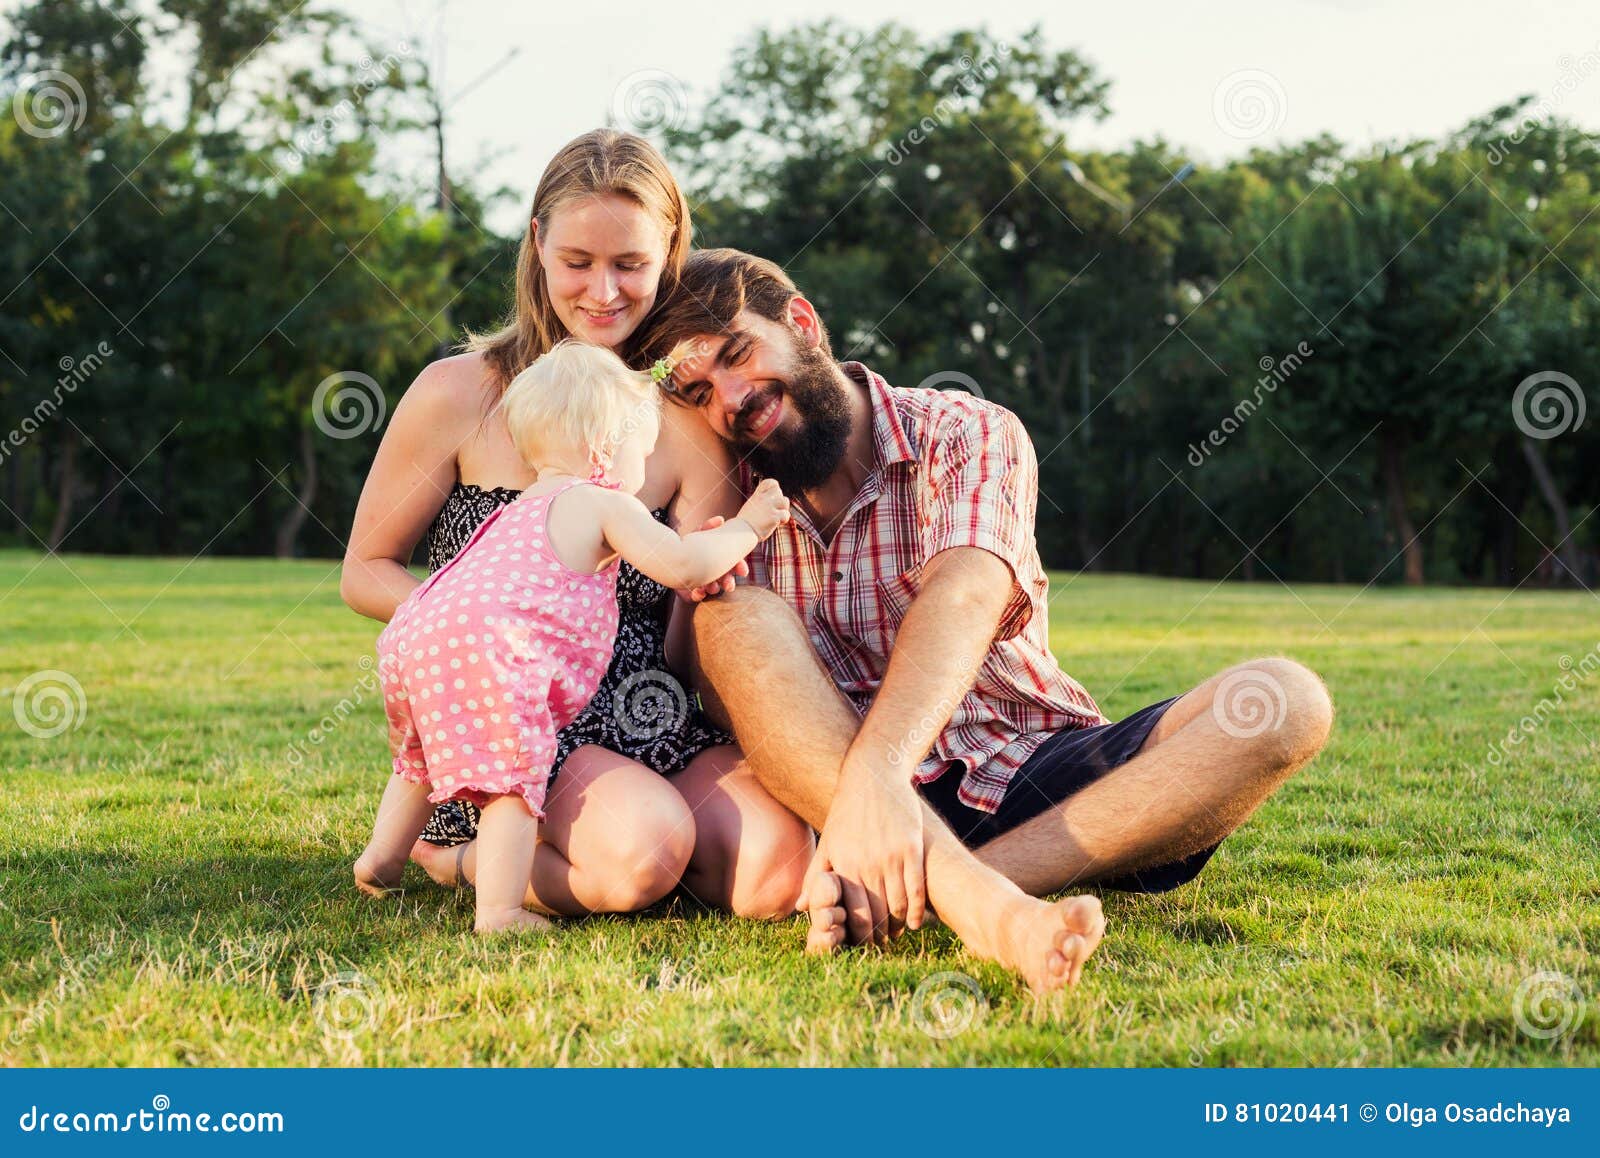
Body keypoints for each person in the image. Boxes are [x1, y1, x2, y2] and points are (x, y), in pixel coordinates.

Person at [638, 248, 1336, 992]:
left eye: (738, 355)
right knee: (730, 616)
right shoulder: (731, 506)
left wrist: (877, 781)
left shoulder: (963, 429)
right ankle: (984, 906)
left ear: (803, 323)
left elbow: (964, 596)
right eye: (699, 390)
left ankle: (945, 888)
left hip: (1021, 771)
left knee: (1285, 703)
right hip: (830, 789)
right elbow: (721, 693)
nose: (730, 397)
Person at [340, 132, 813, 922]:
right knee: (643, 860)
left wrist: (717, 597)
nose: (604, 291)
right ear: (537, 246)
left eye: (630, 263)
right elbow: (365, 570)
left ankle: (628, 833)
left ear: (669, 251)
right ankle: (460, 861)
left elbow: (684, 628)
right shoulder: (458, 393)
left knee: (776, 870)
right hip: (510, 711)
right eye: (577, 261)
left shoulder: (688, 422)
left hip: (647, 703)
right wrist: (488, 628)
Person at [354, 342, 791, 933]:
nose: (645, 463)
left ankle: (381, 859)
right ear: (606, 450)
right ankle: (500, 912)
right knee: (514, 781)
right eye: (641, 446)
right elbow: (686, 565)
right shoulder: (605, 503)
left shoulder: (518, 508)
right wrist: (749, 524)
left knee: (419, 761)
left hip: (419, 638)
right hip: (499, 656)